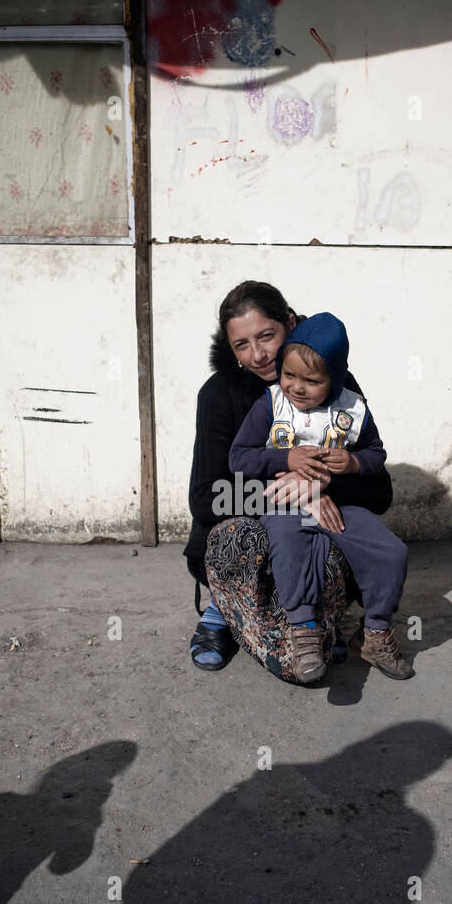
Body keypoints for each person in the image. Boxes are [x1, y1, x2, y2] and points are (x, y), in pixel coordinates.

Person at [185, 282, 393, 671]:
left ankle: (315, 619)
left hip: (310, 535)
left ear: (291, 323)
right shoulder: (218, 395)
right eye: (241, 345)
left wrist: (323, 481)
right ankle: (224, 609)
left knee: (331, 532)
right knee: (245, 538)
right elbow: (206, 498)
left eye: (267, 336)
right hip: (252, 533)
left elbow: (380, 492)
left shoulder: (334, 385)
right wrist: (299, 493)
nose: (259, 354)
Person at [229, 312, 412, 683]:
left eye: (312, 381)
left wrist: (354, 462)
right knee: (290, 541)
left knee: (391, 552)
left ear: (335, 378)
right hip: (284, 503)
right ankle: (304, 632)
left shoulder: (353, 409)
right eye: (290, 374)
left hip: (339, 504)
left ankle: (375, 632)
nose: (297, 387)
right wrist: (286, 457)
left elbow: (377, 455)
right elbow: (239, 457)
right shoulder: (270, 404)